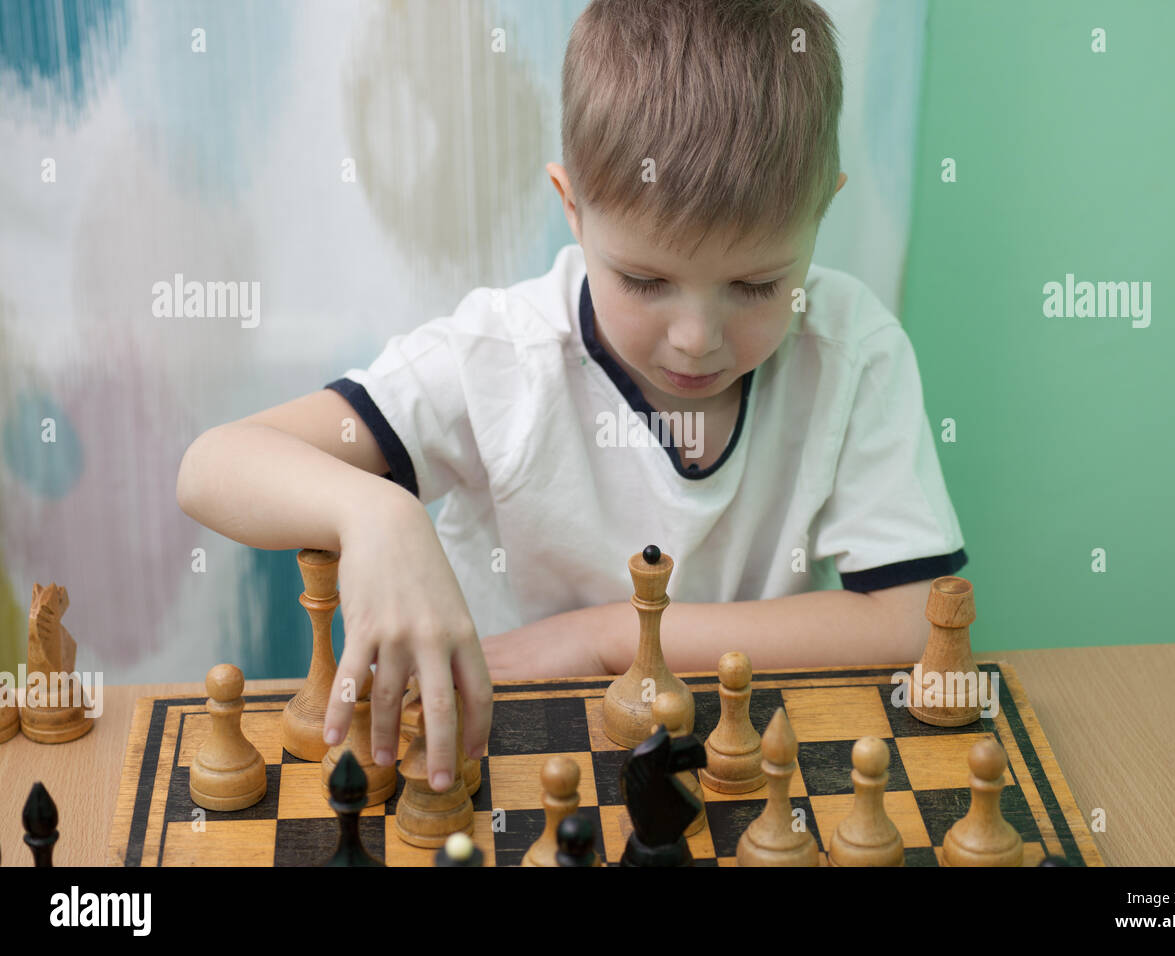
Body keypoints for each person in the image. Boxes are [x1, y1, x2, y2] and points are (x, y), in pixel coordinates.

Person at [175, 0, 967, 793]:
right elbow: (213, 465)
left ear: (823, 209)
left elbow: (909, 622)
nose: (696, 336)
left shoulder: (853, 352)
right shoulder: (501, 357)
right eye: (645, 280)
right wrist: (376, 511)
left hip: (733, 774)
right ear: (572, 208)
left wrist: (610, 638)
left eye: (756, 285)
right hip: (499, 765)